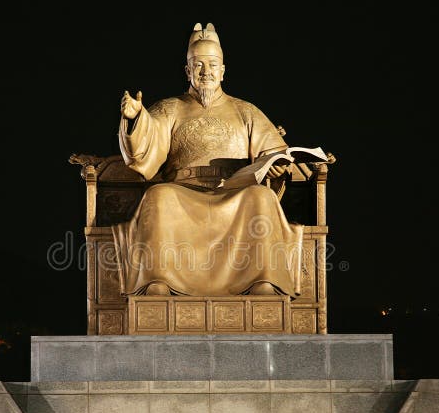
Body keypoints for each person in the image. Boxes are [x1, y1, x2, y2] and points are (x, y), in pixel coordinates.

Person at [112, 23, 303, 297]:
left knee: (261, 198)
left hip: (235, 191)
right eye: (198, 65)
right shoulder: (171, 108)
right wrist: (134, 119)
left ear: (223, 71)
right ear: (188, 70)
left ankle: (263, 281)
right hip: (183, 192)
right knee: (158, 196)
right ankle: (158, 282)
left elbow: (273, 151)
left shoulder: (246, 111)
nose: (206, 72)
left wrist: (275, 167)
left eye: (212, 64)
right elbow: (145, 148)